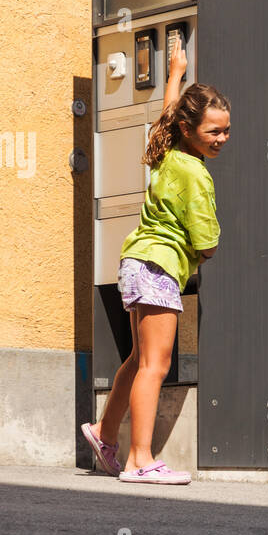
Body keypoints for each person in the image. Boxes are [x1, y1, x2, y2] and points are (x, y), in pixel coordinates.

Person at [82, 36, 228, 485]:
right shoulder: (195, 172)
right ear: (190, 130)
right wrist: (207, 249)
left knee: (136, 360)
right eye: (214, 132)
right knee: (155, 366)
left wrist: (176, 76)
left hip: (135, 262)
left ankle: (104, 433)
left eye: (226, 130)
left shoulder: (165, 149)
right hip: (160, 267)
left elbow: (168, 113)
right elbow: (207, 239)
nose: (222, 139)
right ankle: (140, 460)